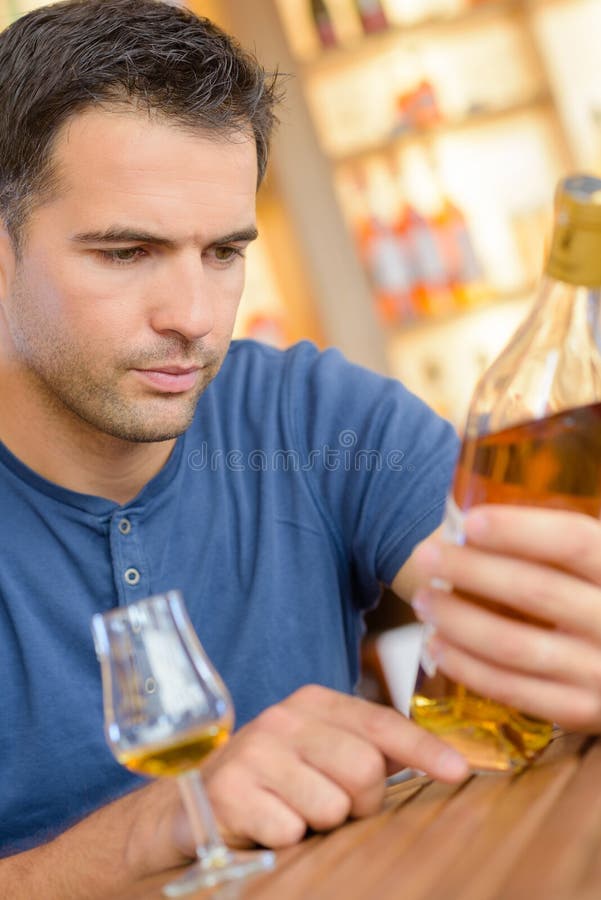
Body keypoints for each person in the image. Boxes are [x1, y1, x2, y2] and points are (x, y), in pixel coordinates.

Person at [1, 2, 600, 898]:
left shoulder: (310, 415)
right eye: (127, 253)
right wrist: (156, 827)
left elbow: (526, 615)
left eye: (224, 252)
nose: (194, 318)